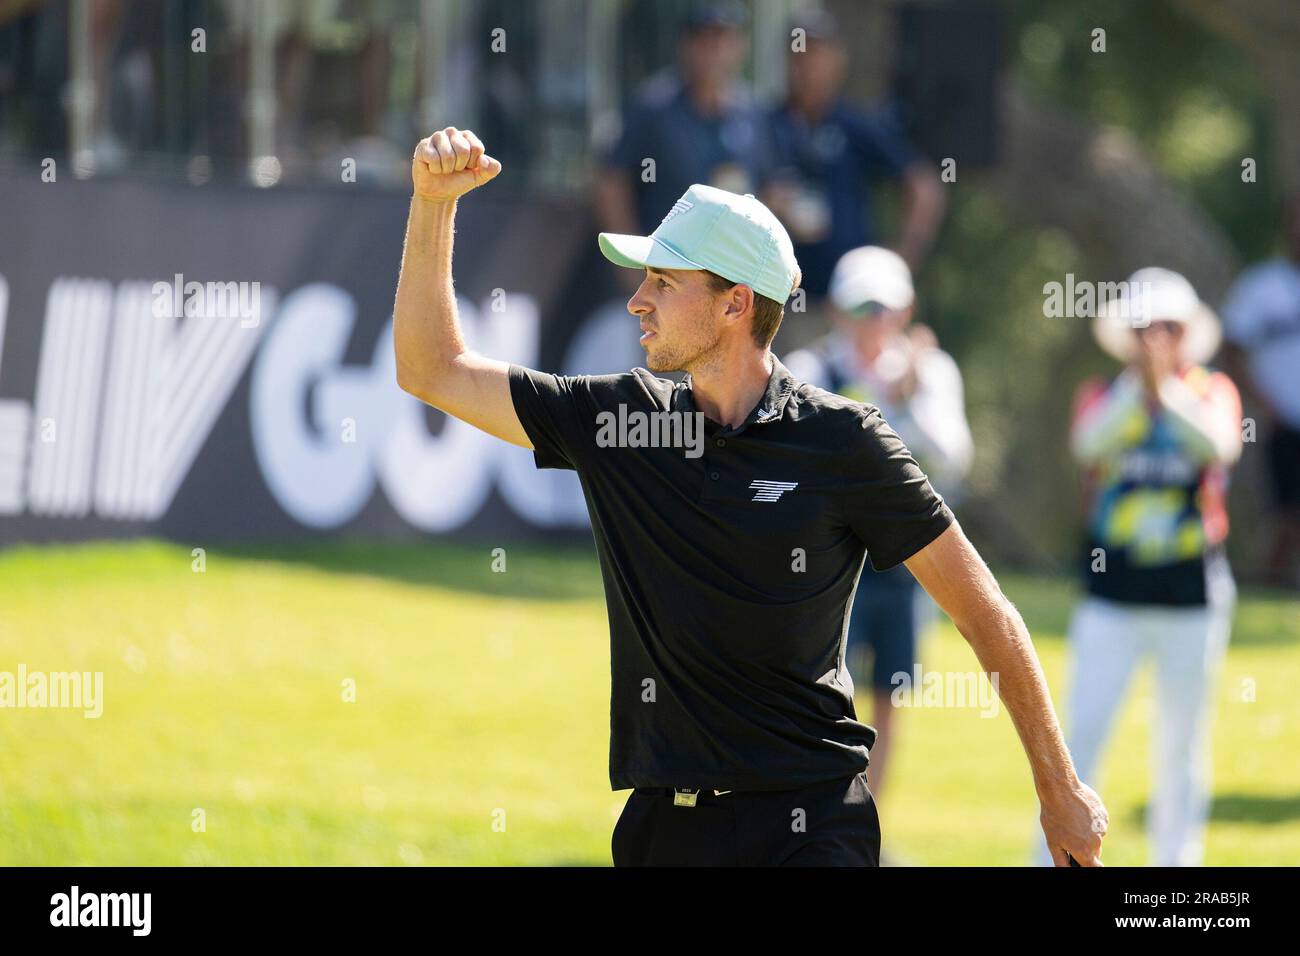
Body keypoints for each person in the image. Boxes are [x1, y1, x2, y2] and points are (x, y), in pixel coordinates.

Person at [395, 126, 1106, 867]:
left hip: (813, 825)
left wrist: (1060, 790)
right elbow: (432, 370)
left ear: (736, 304)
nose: (638, 301)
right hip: (663, 832)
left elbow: (984, 611)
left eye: (664, 283)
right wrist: (432, 204)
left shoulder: (844, 441)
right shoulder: (618, 421)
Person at [1032, 268, 1241, 867]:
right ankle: (1051, 856)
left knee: (1182, 744)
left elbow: (1218, 446)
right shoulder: (1103, 393)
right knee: (1077, 740)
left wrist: (1165, 393)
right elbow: (1088, 445)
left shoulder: (1210, 390)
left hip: (1191, 592)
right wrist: (1138, 389)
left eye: (1169, 327)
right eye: (1145, 326)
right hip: (1111, 594)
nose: (1157, 337)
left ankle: (1176, 871)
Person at [783, 246, 972, 812]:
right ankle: (814, 816)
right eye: (863, 307)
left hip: (904, 561)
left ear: (905, 309)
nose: (875, 321)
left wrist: (907, 399)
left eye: (885, 308)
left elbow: (954, 457)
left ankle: (869, 822)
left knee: (890, 694)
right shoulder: (813, 368)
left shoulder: (931, 373)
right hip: (829, 560)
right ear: (839, 310)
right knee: (822, 691)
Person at [760, 10, 945, 300]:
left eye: (819, 54)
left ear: (838, 62)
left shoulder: (855, 125)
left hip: (850, 299)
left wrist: (902, 259)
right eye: (801, 54)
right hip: (777, 297)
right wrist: (764, 203)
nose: (809, 65)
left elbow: (923, 185)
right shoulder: (762, 125)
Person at [593, 1, 769, 289]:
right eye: (705, 39)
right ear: (686, 45)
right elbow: (611, 183)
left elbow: (767, 187)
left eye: (724, 39)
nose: (715, 50)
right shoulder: (653, 108)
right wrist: (631, 268)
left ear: (741, 46)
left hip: (730, 278)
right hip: (664, 272)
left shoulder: (752, 114)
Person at [1220, 194, 1300, 587]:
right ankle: (1270, 590)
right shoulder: (1263, 286)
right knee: (1286, 516)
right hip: (1284, 421)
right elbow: (1231, 348)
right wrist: (1263, 403)